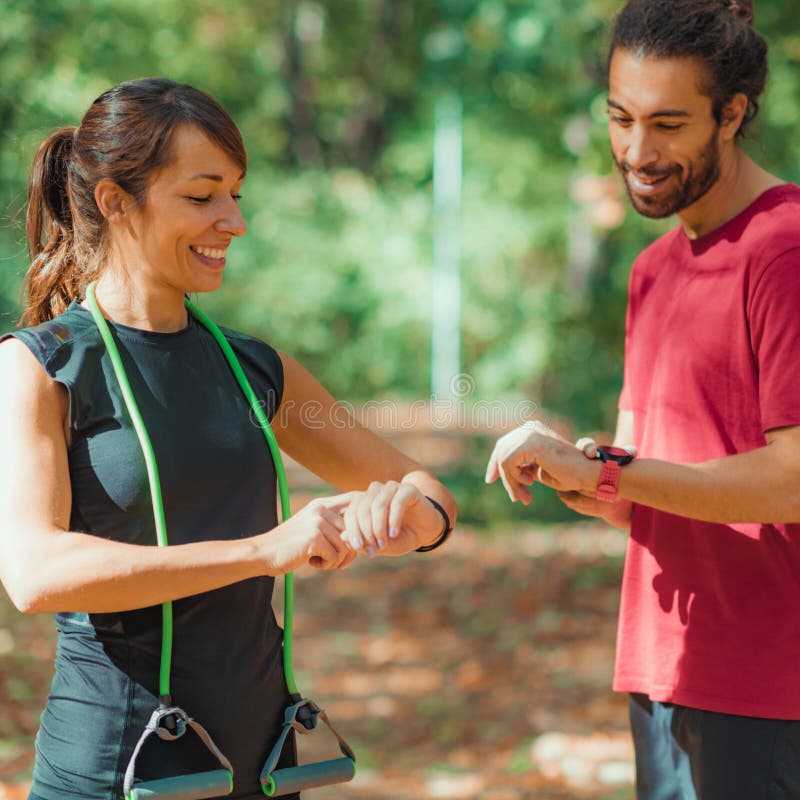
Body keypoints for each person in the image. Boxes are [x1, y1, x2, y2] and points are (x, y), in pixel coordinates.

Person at [0, 77, 457, 800]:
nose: (233, 221)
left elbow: (428, 494)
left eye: (236, 194)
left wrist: (407, 518)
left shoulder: (256, 369)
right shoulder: (41, 364)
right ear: (115, 202)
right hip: (114, 772)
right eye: (202, 195)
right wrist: (262, 551)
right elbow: (32, 571)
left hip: (261, 769)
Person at [486, 1, 800, 797]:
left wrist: (614, 474)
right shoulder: (653, 269)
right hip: (661, 665)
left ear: (733, 114)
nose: (635, 150)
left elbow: (794, 479)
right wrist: (577, 469)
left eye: (667, 123)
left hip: (771, 682)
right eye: (619, 118)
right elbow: (638, 491)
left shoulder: (783, 249)